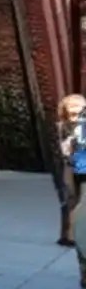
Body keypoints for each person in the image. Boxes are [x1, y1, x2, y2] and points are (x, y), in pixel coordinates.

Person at [57, 94, 86, 247]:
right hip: (71, 167)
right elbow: (64, 149)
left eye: (79, 107)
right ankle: (68, 236)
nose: (76, 110)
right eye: (72, 107)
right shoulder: (63, 126)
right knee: (71, 201)